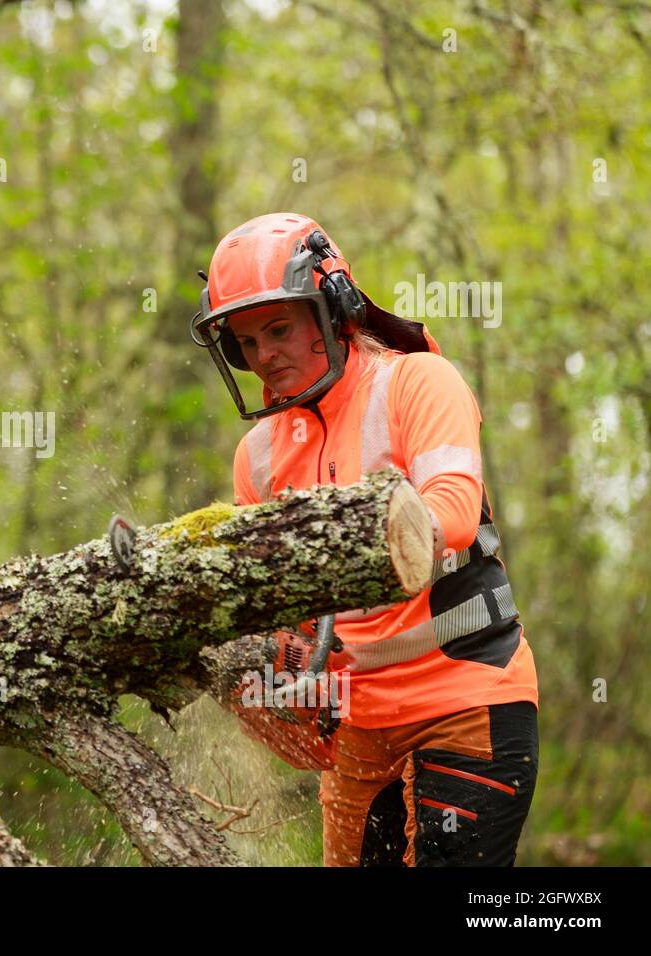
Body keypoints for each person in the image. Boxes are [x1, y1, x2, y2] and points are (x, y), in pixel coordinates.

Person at [191, 212, 539, 866]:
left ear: (335, 308)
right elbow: (279, 614)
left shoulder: (417, 383)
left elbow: (453, 513)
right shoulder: (258, 457)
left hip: (464, 694)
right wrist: (265, 671)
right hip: (359, 727)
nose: (265, 354)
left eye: (279, 327)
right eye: (245, 340)